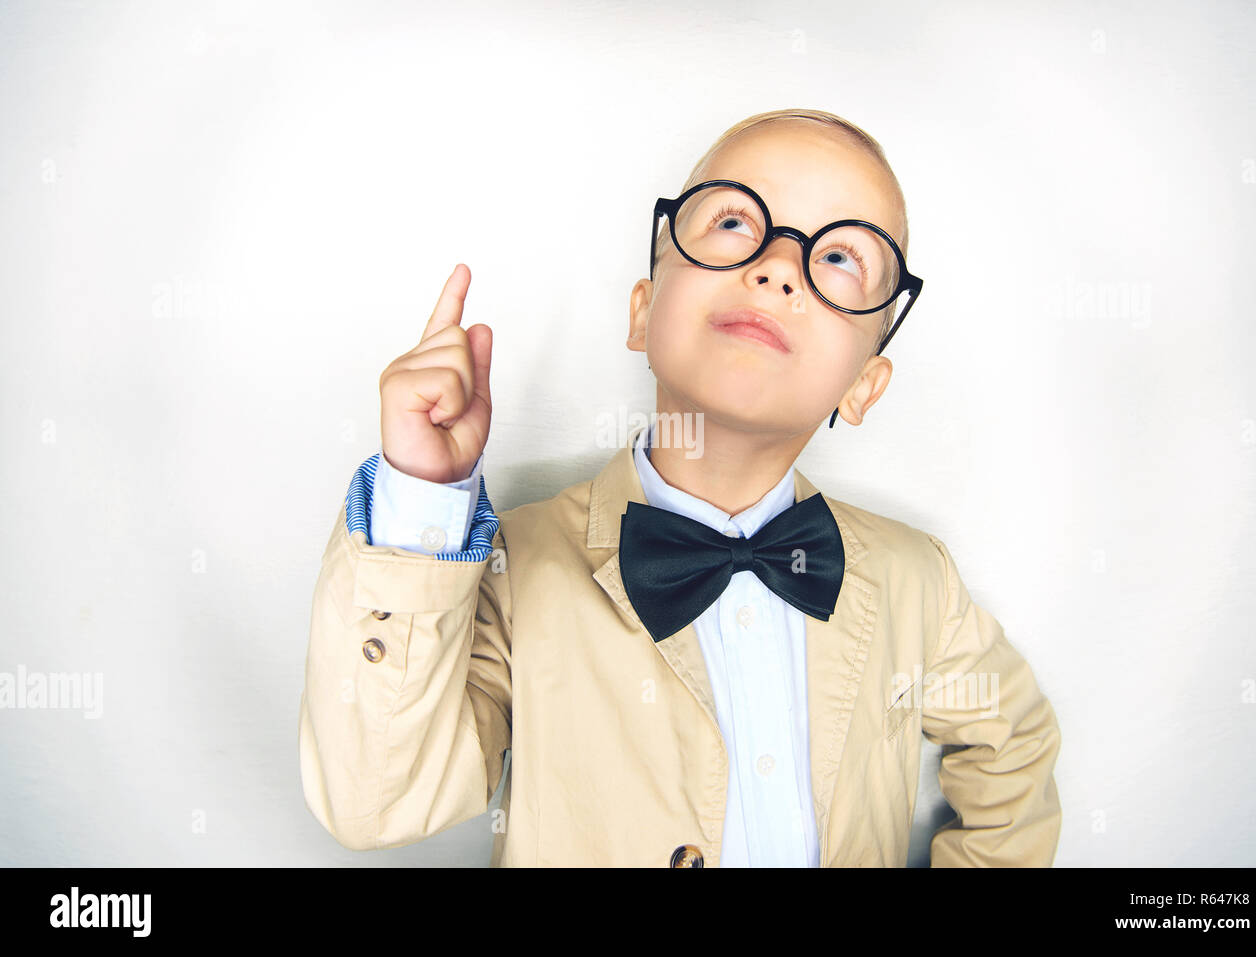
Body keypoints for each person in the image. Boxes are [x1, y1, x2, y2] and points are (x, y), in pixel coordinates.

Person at [298, 108, 1062, 867]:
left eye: (839, 259)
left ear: (864, 386)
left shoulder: (917, 581)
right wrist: (424, 491)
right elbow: (376, 803)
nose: (777, 267)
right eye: (734, 221)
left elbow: (1014, 744)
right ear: (644, 309)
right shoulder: (516, 569)